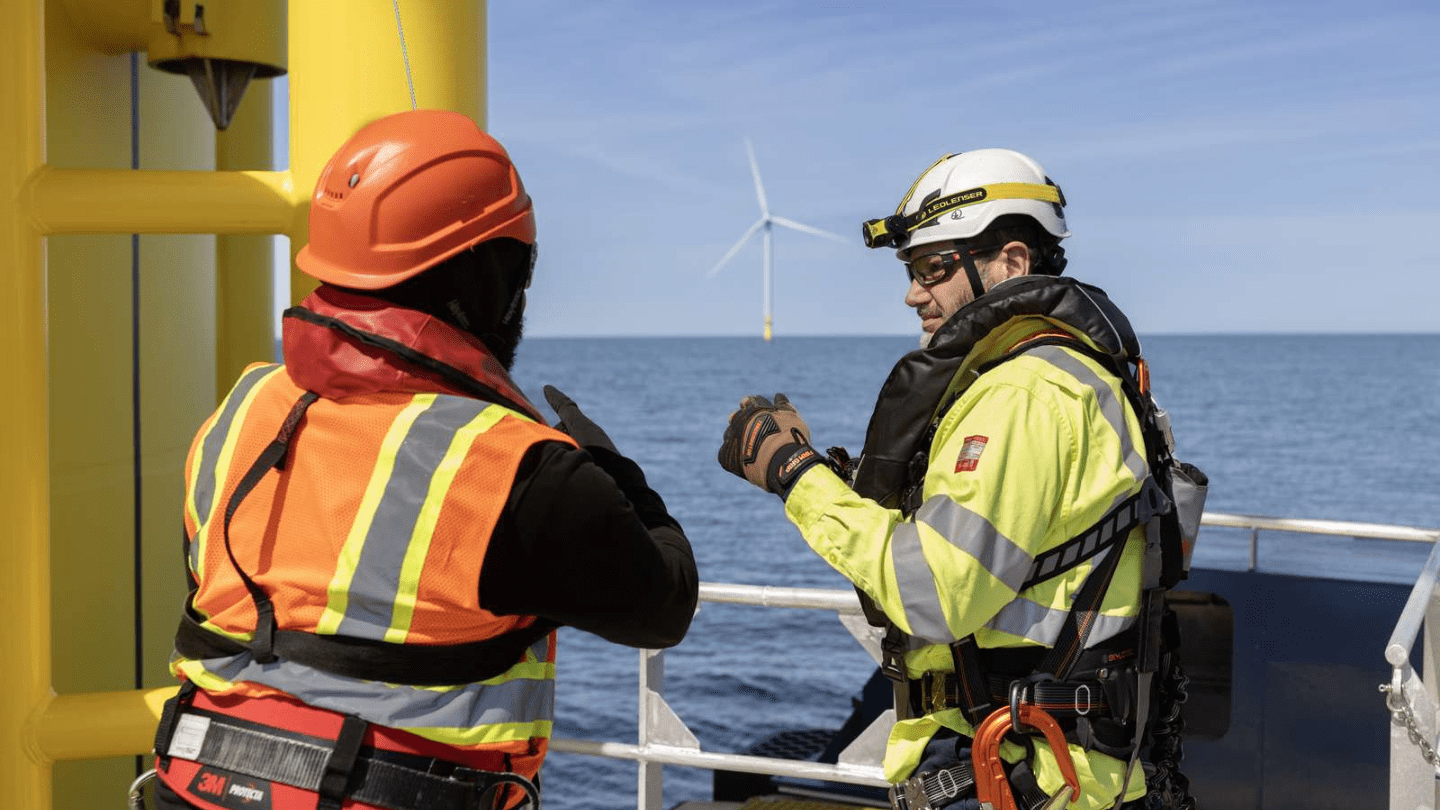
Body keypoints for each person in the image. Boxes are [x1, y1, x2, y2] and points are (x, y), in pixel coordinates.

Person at [150, 109, 698, 810]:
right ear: (487, 281)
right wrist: (614, 472)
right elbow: (664, 605)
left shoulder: (241, 409)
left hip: (191, 784)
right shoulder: (521, 469)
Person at [718, 149, 1201, 810]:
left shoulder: (1022, 393)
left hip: (1012, 771)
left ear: (1010, 262)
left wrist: (794, 475)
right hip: (1055, 774)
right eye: (914, 271)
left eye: (934, 268)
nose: (914, 293)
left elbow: (934, 593)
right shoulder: (1079, 376)